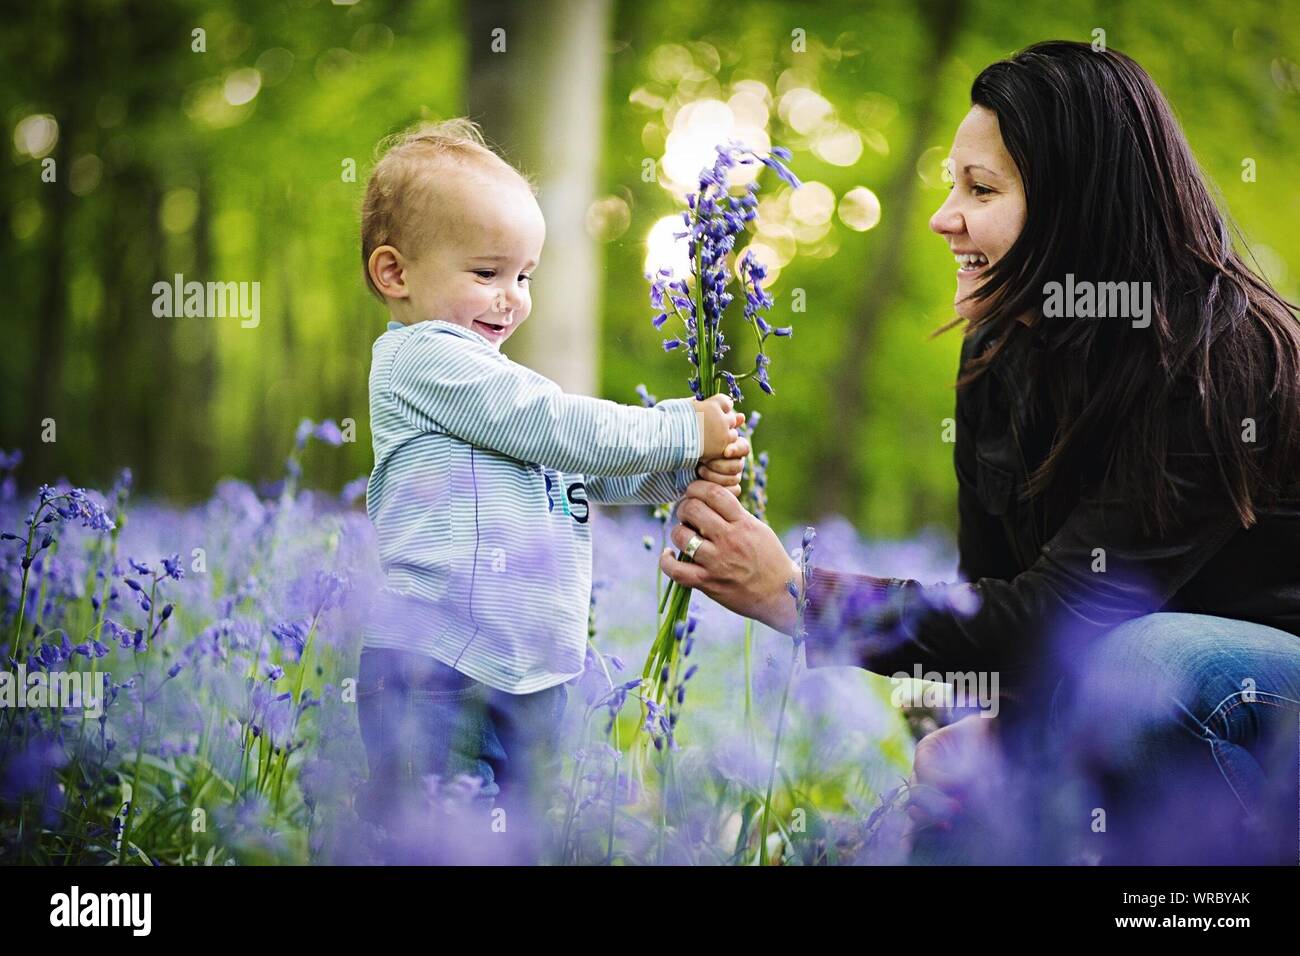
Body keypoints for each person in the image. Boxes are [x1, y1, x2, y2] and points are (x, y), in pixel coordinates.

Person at [658, 41, 1300, 865]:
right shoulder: (1000, 349)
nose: (943, 216)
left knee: (1150, 667)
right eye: (950, 182)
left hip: (1257, 686)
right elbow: (990, 600)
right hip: (1110, 693)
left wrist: (799, 598)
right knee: (968, 779)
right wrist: (984, 748)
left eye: (981, 188)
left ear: (1078, 204)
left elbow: (1053, 619)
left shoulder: (1218, 359)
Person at [356, 118, 750, 862]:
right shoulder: (423, 360)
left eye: (524, 276)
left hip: (533, 675)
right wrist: (678, 430)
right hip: (439, 674)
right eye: (486, 273)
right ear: (394, 273)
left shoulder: (488, 379)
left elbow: (577, 468)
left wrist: (680, 472)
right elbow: (555, 427)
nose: (511, 299)